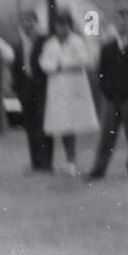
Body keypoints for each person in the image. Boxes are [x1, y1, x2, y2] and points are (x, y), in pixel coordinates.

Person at [39, 12, 99, 176]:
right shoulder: (50, 43)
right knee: (63, 125)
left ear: (69, 26)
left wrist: (61, 64)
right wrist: (55, 66)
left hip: (74, 88)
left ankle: (73, 160)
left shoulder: (77, 41)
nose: (61, 28)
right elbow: (44, 63)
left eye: (64, 24)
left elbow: (84, 60)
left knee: (72, 123)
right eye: (58, 25)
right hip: (57, 88)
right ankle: (69, 161)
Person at [88, 7, 128, 179]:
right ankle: (99, 169)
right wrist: (107, 90)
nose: (122, 23)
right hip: (110, 98)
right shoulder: (107, 48)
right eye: (119, 19)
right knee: (106, 136)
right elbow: (101, 72)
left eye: (126, 19)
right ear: (114, 24)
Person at [12, 9, 51, 172]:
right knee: (30, 125)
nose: (27, 25)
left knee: (43, 125)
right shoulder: (19, 44)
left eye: (30, 21)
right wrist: (18, 88)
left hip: (42, 88)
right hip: (25, 90)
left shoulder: (45, 41)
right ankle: (35, 162)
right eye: (23, 22)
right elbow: (15, 68)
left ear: (36, 23)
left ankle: (46, 162)